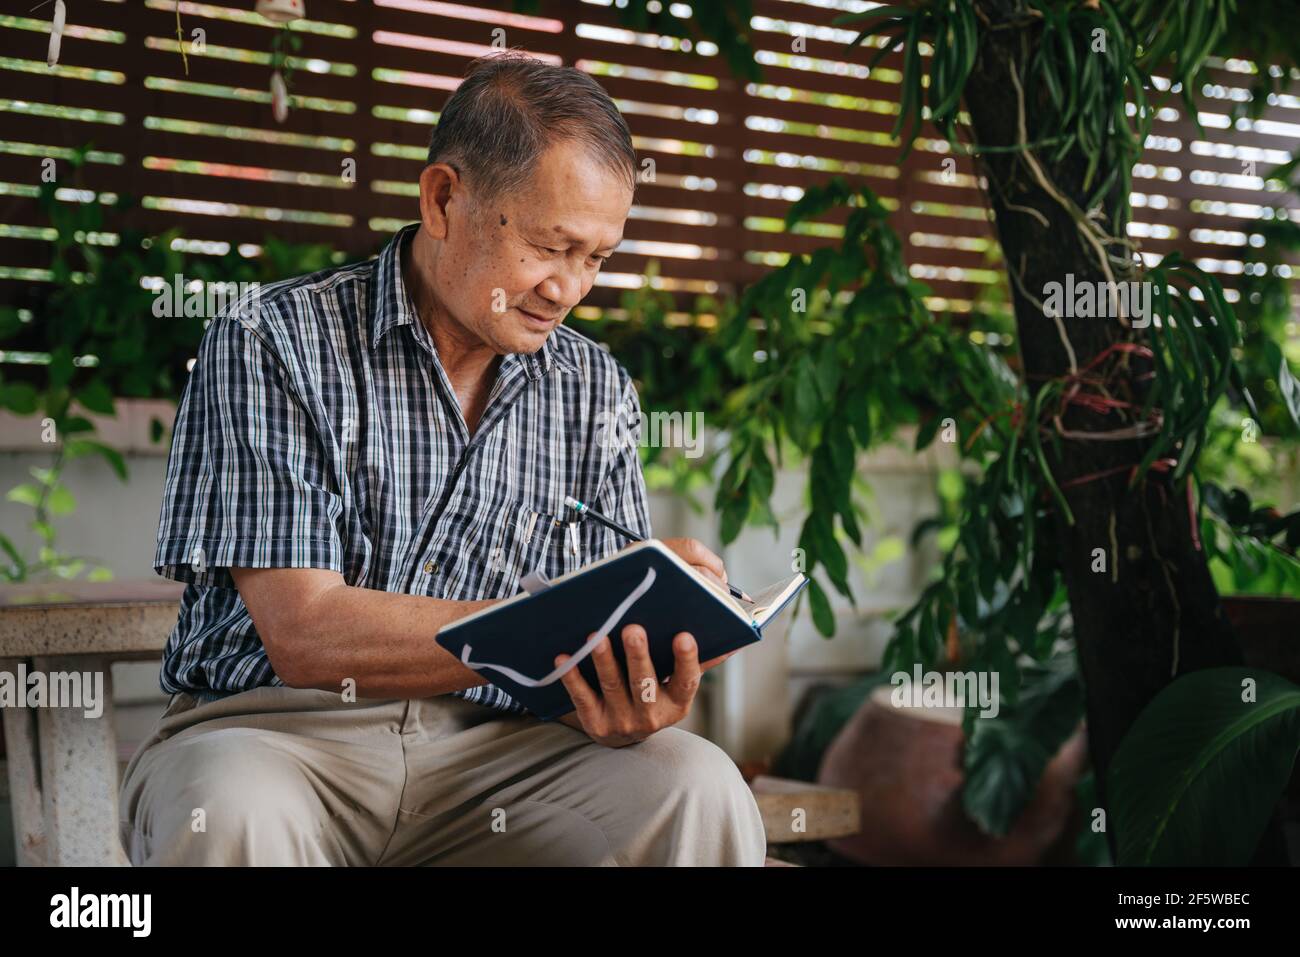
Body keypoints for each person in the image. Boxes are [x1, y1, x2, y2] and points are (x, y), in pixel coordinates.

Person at [118, 53, 767, 867]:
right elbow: (305, 632)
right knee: (235, 805)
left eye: (596, 258)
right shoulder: (271, 341)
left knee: (696, 784)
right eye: (550, 244)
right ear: (443, 199)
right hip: (275, 731)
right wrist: (546, 622)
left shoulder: (594, 386)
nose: (568, 287)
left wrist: (623, 686)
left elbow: (589, 650)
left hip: (496, 751)